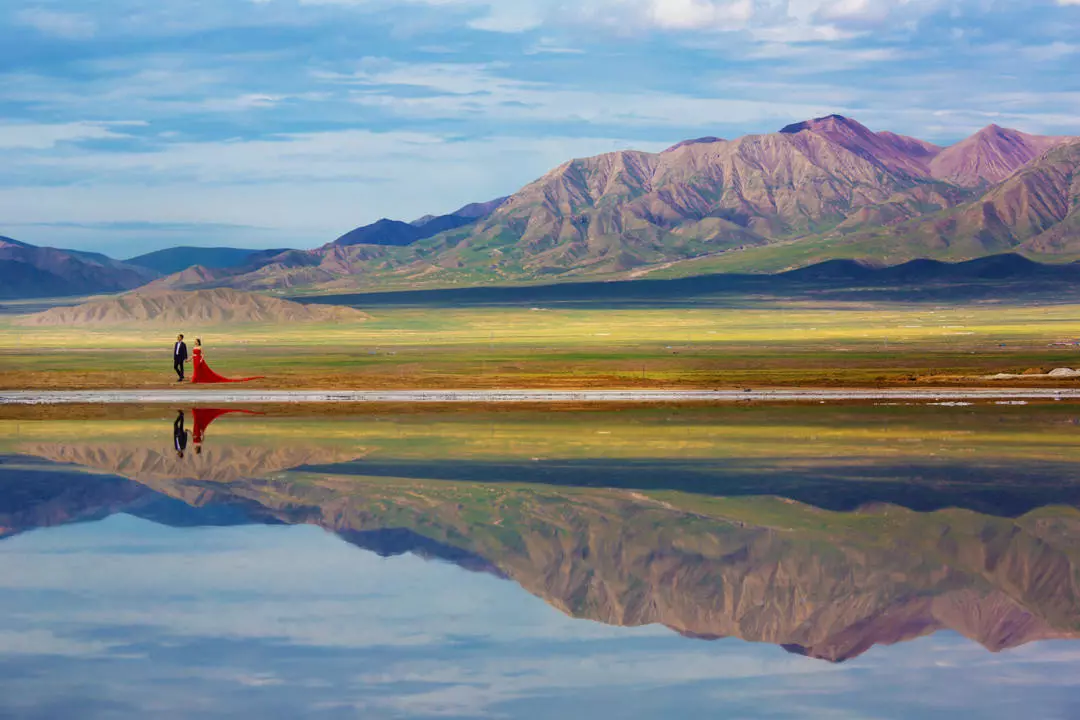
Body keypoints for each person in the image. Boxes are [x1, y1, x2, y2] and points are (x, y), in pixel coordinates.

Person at [191, 338, 265, 384]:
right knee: (196, 369)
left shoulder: (200, 347)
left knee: (199, 369)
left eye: (196, 341)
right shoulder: (194, 347)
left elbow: (203, 354)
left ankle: (197, 379)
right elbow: (192, 354)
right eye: (195, 341)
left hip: (199, 359)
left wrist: (201, 360)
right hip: (195, 360)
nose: (195, 342)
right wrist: (189, 359)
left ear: (198, 342)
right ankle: (197, 379)